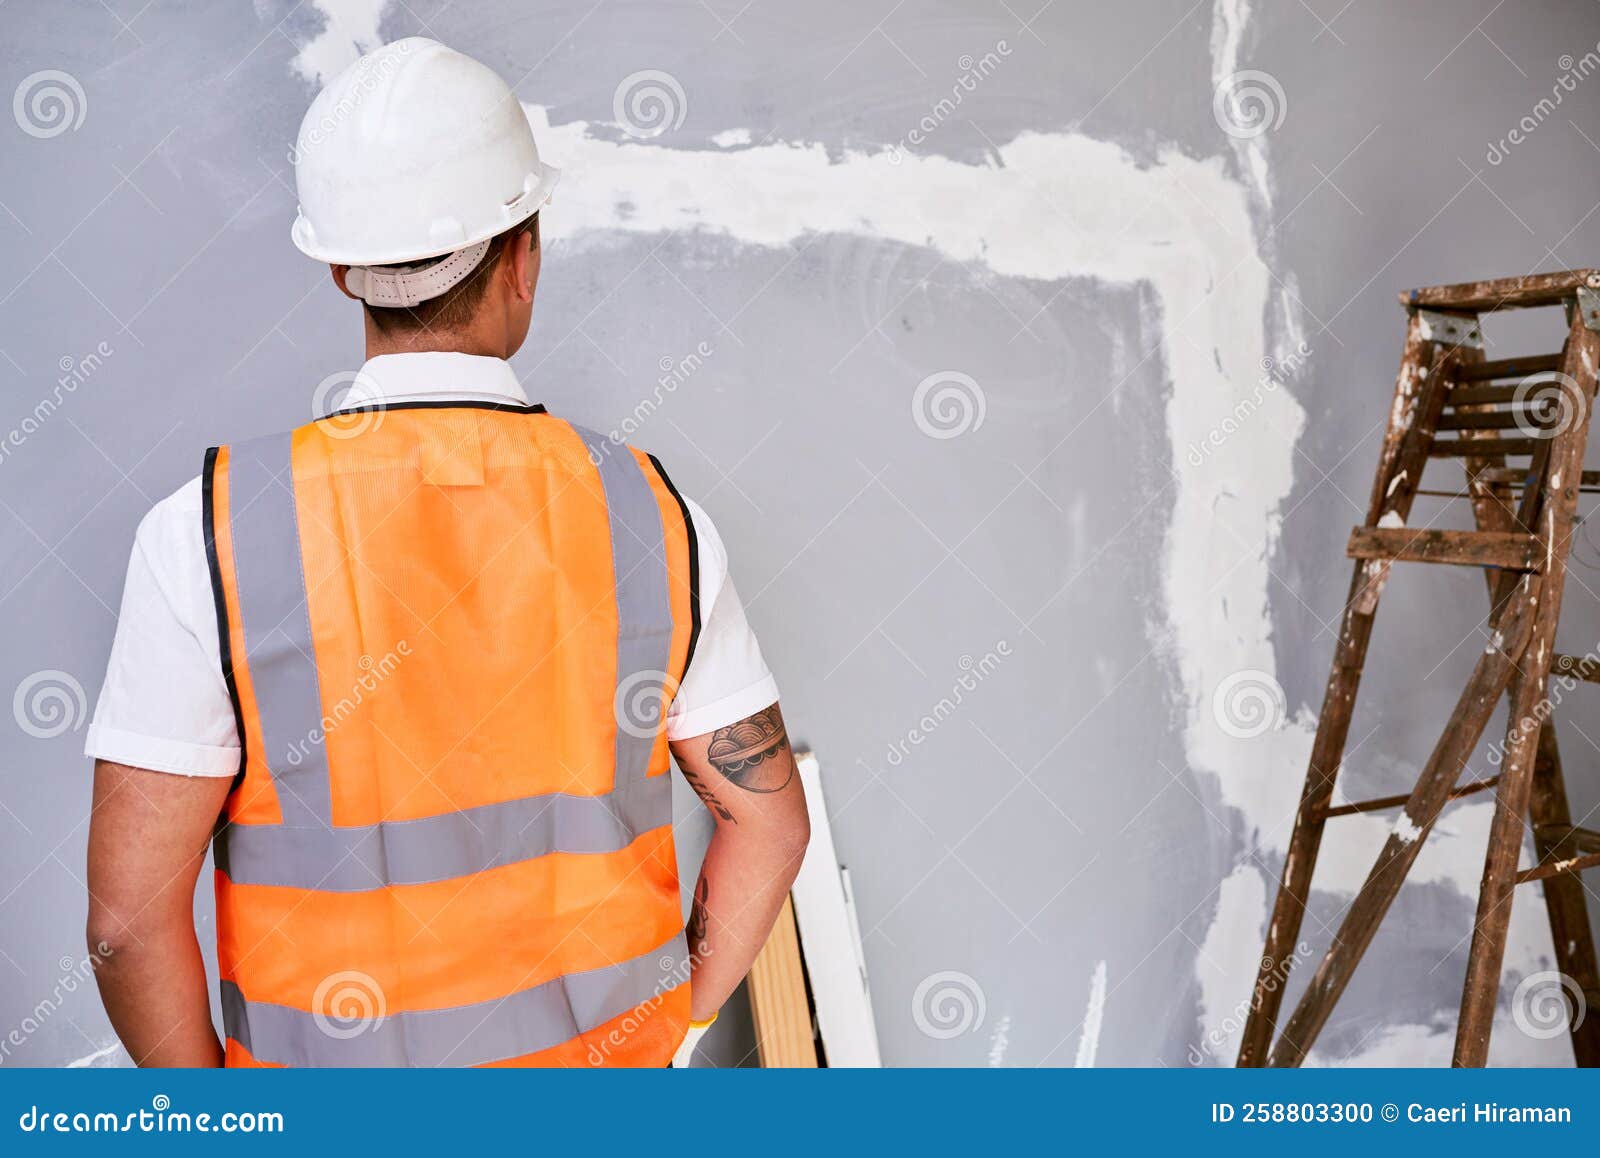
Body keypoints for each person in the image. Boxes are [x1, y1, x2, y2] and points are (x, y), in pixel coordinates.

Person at [82, 37, 809, 1069]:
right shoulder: (653, 508)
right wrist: (679, 1024)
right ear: (525, 254)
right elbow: (770, 826)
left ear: (341, 268)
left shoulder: (208, 532)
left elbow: (123, 924)